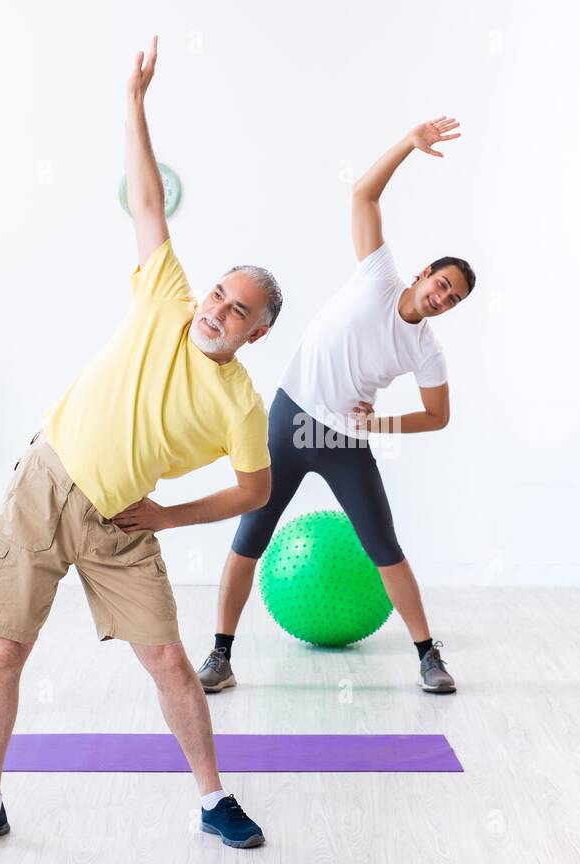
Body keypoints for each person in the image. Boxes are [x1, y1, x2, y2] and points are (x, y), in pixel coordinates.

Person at [0, 37, 279, 852]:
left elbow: (255, 493)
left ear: (257, 332)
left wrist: (165, 516)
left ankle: (214, 799)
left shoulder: (241, 402)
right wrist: (134, 103)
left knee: (167, 657)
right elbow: (145, 204)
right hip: (45, 480)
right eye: (219, 293)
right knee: (5, 648)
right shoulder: (166, 295)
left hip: (122, 524)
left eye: (238, 311)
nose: (217, 310)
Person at [197, 116, 474, 695]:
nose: (441, 298)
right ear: (424, 273)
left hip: (346, 440)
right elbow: (363, 193)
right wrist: (408, 144)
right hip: (291, 420)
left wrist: (386, 421)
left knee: (383, 546)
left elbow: (439, 415)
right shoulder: (377, 275)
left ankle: (428, 656)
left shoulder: (428, 350)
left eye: (451, 299)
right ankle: (220, 656)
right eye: (441, 284)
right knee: (251, 534)